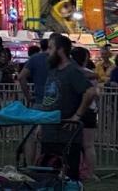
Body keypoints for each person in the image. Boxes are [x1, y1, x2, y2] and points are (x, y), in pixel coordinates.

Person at [38, 34, 96, 181]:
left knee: (68, 177)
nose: (47, 52)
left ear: (61, 50)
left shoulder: (72, 71)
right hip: (49, 130)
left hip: (66, 134)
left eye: (51, 48)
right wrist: (41, 123)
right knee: (46, 175)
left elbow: (90, 92)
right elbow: (48, 100)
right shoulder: (53, 70)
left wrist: (77, 116)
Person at [18, 35, 58, 106]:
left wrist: (28, 97)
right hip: (60, 103)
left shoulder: (35, 58)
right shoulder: (63, 59)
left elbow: (21, 77)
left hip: (39, 101)